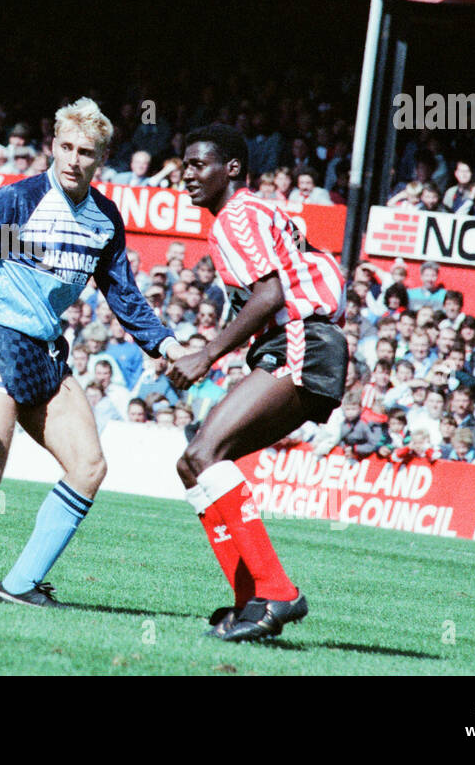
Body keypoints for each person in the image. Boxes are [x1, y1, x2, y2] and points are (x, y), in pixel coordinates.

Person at [0, 98, 184, 607]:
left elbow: (123, 293)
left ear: (101, 158)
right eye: (65, 146)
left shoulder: (104, 221)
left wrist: (168, 343)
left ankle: (20, 586)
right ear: (52, 145)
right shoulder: (20, 201)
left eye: (84, 151)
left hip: (47, 351)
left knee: (89, 467)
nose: (72, 159)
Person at [167, 124, 345, 642]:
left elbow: (269, 296)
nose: (189, 174)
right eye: (185, 165)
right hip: (299, 340)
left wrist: (207, 353)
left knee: (204, 454)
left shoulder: (236, 217)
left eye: (200, 164)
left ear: (233, 169)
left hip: (301, 340)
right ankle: (251, 604)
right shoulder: (258, 213)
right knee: (192, 464)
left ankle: (278, 593)